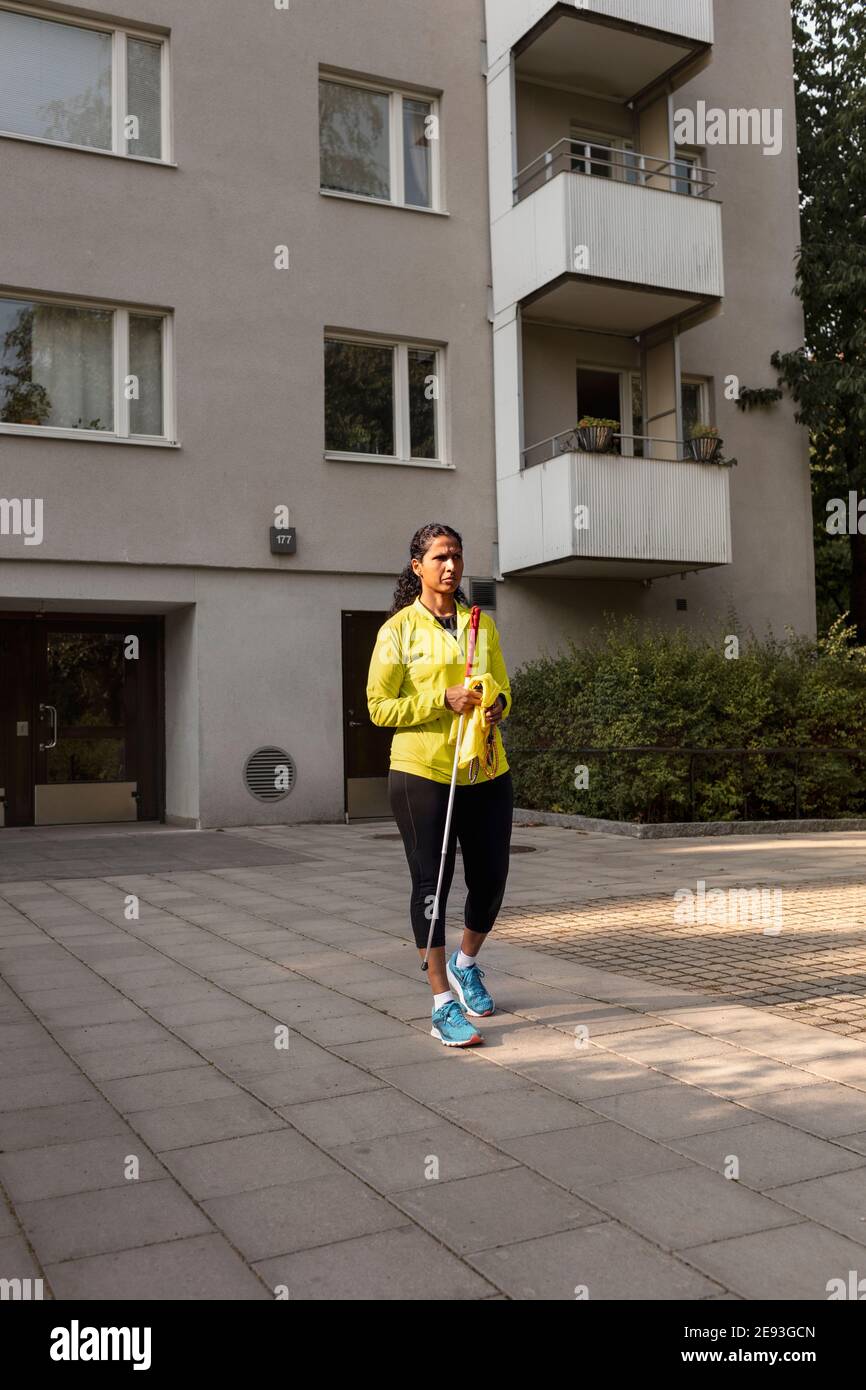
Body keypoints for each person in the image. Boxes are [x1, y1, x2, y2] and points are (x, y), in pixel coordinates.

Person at [366, 522, 514, 1047]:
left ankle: (465, 962)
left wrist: (498, 706)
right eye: (439, 558)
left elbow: (503, 686)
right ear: (418, 567)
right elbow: (379, 708)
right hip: (422, 773)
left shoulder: (481, 625)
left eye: (456, 557)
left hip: (485, 768)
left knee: (492, 879)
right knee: (433, 888)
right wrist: (440, 701)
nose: (451, 566)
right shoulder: (398, 631)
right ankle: (440, 1003)